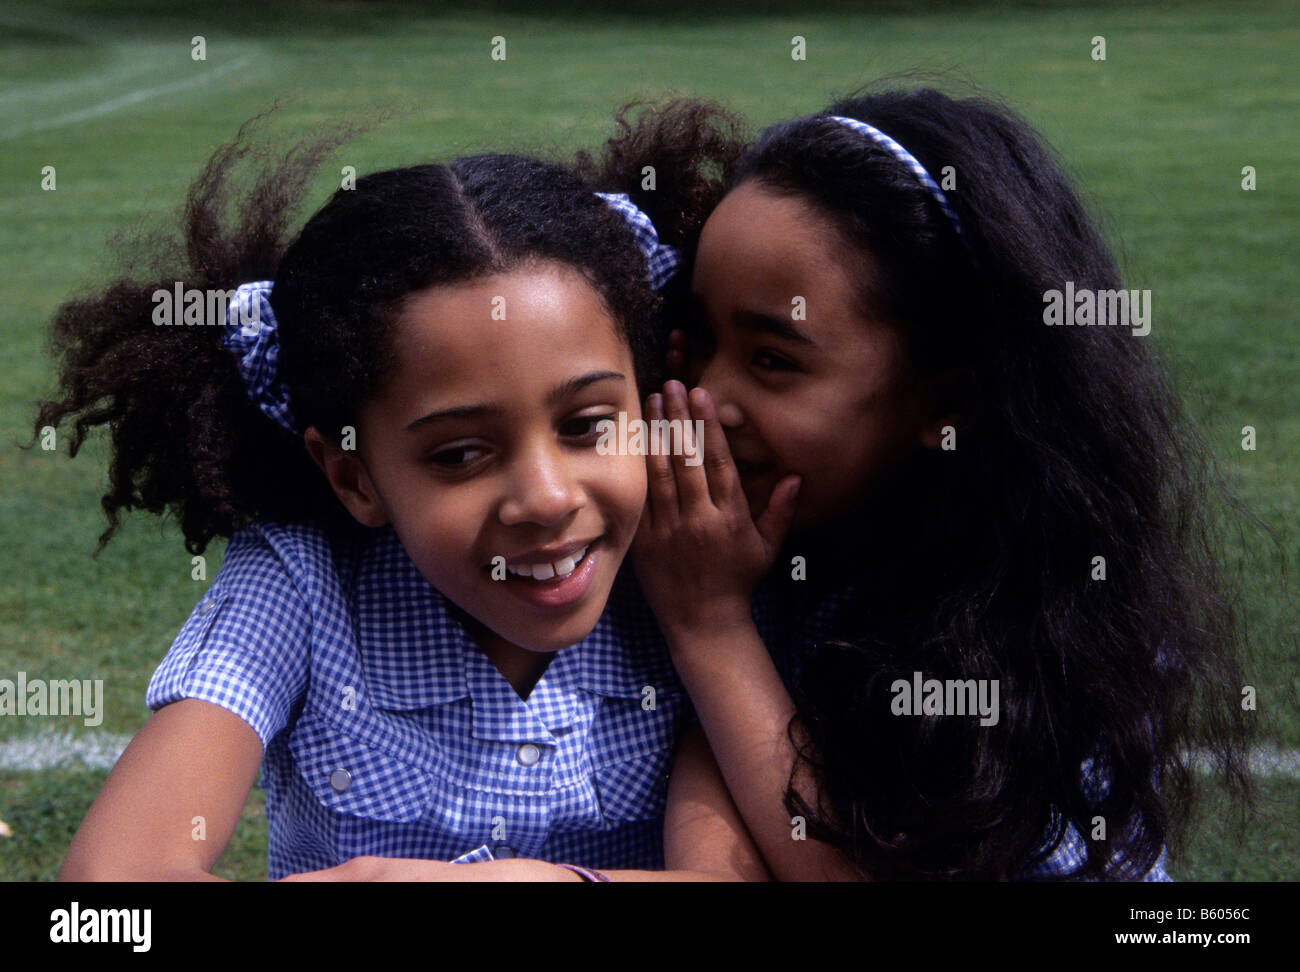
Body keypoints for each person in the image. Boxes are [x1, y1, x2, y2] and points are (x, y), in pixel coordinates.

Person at [43, 112, 765, 881]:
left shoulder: (689, 581)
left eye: (587, 425)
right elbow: (106, 890)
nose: (548, 499)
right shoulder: (299, 586)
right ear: (354, 475)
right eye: (460, 453)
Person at [627, 87, 1254, 880]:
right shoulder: (772, 539)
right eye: (701, 337)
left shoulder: (1045, 619)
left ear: (947, 402)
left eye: (773, 361)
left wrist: (709, 625)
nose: (706, 400)